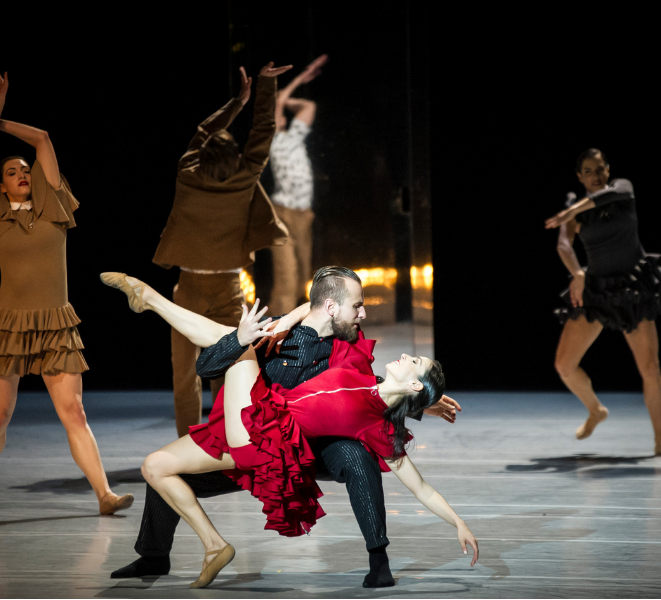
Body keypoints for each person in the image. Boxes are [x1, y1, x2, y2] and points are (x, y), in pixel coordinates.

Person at [101, 269, 476, 588]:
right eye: (357, 305)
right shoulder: (282, 332)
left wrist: (423, 401)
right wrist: (284, 320)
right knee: (158, 466)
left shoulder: (344, 350)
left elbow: (370, 396)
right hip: (249, 422)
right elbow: (208, 368)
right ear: (330, 307)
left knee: (354, 453)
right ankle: (159, 555)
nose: (363, 313)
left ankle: (151, 299)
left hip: (280, 445)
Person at [0, 71, 133, 514]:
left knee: (74, 412)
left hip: (55, 323)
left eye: (25, 170)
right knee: (0, 414)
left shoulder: (53, 208)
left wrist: (1, 114)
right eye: (12, 171)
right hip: (10, 323)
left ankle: (104, 494)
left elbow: (44, 139)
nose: (21, 174)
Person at [151, 63, 291, 439]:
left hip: (189, 290)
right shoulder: (245, 176)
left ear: (203, 154)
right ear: (234, 154)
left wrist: (236, 102)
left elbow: (201, 132)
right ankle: (225, 441)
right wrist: (265, 85)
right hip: (229, 289)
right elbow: (264, 130)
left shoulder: (187, 172)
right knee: (227, 368)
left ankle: (187, 444)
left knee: (185, 377)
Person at [545, 148, 661, 457]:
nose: (597, 175)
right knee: (564, 365)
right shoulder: (575, 210)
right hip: (597, 289)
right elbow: (564, 245)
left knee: (649, 366)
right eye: (589, 171)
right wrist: (577, 272)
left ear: (608, 169)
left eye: (600, 168)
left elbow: (605, 196)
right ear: (580, 177)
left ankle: (659, 440)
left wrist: (569, 211)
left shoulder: (622, 189)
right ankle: (596, 410)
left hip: (633, 286)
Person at [268, 54, 328, 314]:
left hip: (303, 214)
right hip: (281, 213)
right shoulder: (269, 138)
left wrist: (287, 100)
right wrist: (301, 77)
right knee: (287, 278)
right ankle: (274, 336)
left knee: (304, 275)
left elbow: (308, 107)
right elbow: (278, 99)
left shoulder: (293, 136)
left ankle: (294, 326)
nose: (280, 116)